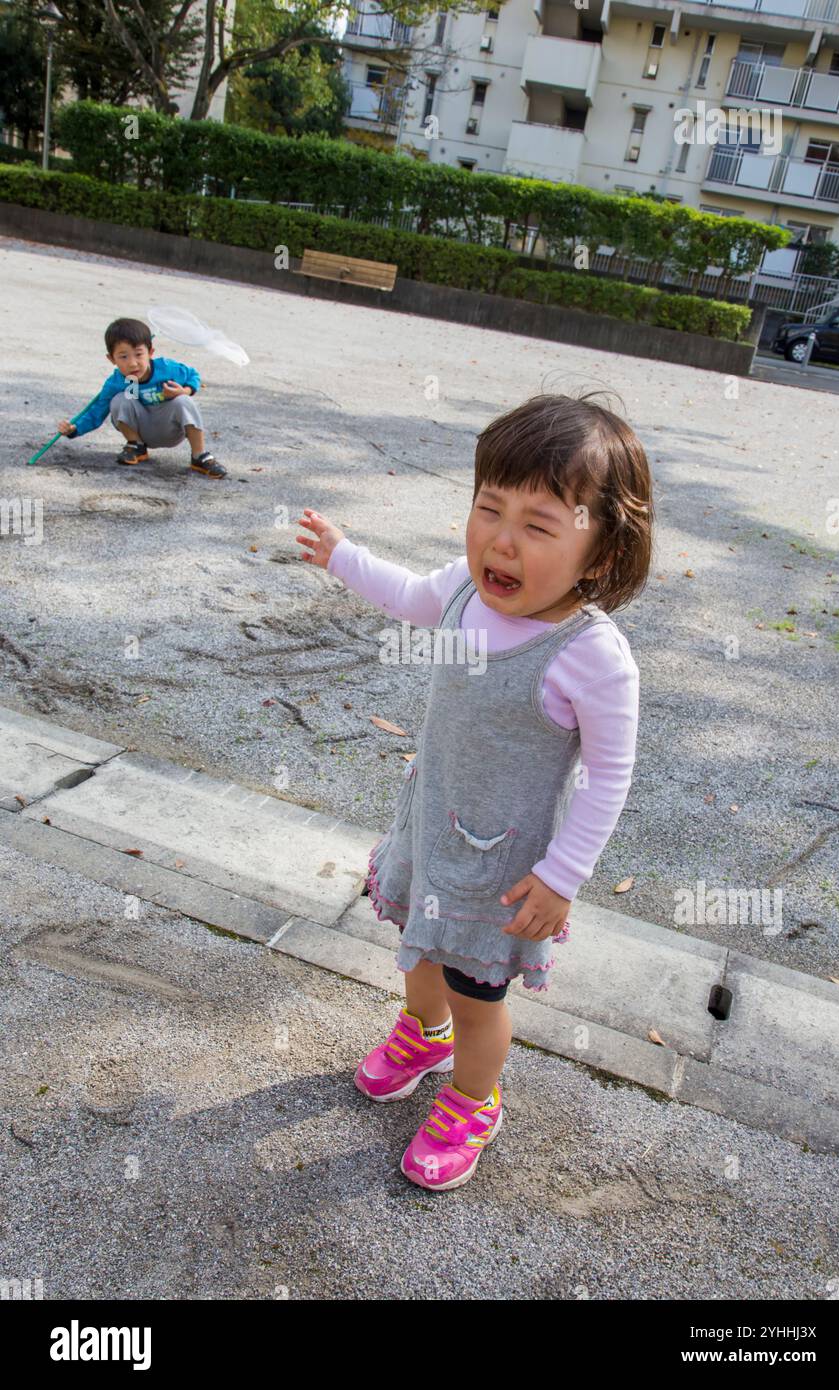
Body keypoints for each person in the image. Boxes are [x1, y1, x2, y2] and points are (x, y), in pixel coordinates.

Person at [295, 390, 653, 1192]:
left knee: (477, 992)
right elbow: (410, 596)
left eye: (538, 526)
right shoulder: (463, 587)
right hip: (431, 824)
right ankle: (424, 1034)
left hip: (502, 868)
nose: (501, 540)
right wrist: (343, 554)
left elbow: (610, 775)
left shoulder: (591, 656)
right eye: (490, 509)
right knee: (420, 955)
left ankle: (473, 1097)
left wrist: (564, 878)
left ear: (600, 553)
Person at [56, 317, 226, 478]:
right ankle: (136, 446)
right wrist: (74, 429)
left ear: (150, 352)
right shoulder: (116, 382)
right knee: (120, 399)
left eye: (139, 354)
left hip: (170, 429)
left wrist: (185, 391)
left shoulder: (167, 369)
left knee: (183, 401)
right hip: (141, 430)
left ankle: (199, 455)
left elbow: (193, 375)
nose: (132, 363)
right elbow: (97, 412)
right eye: (123, 356)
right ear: (111, 359)